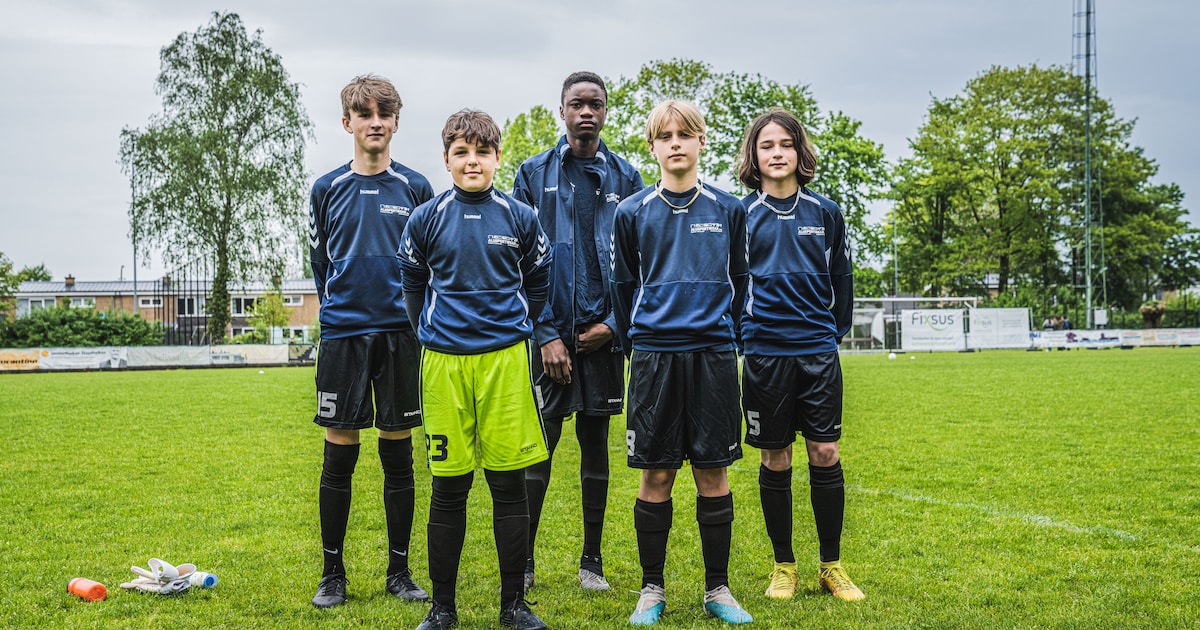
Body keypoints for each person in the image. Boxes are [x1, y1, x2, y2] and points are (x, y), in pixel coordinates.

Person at [400, 109, 552, 630]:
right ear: (446, 160)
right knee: (448, 488)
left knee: (508, 486)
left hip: (505, 364)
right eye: (461, 153)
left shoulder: (519, 216)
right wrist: (425, 330)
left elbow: (539, 278)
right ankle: (443, 608)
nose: (472, 162)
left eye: (481, 152)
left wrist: (521, 326)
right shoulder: (426, 217)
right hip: (444, 366)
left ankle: (514, 605)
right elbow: (412, 279)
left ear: (496, 158)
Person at [609, 99, 752, 626]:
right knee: (657, 475)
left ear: (700, 142)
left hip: (713, 354)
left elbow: (741, 281)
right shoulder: (632, 211)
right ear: (652, 146)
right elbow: (621, 286)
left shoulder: (729, 209)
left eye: (684, 134)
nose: (675, 143)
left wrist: (722, 330)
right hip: (654, 355)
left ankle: (719, 588)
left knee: (714, 473)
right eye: (664, 136)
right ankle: (652, 589)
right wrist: (641, 338)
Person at [511, 70, 645, 592]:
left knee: (596, 448)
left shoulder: (627, 177)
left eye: (595, 104)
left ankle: (592, 562)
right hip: (549, 342)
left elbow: (640, 265)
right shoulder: (532, 173)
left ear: (605, 111)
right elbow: (518, 264)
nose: (586, 112)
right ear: (562, 110)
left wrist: (615, 324)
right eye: (576, 104)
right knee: (536, 454)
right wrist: (545, 334)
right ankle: (524, 562)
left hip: (603, 342)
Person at [307, 74, 432, 609]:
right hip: (344, 336)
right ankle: (332, 574)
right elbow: (319, 265)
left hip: (402, 336)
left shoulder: (417, 188)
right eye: (364, 113)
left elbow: (429, 266)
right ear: (347, 124)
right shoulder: (326, 188)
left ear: (396, 122)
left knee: (397, 452)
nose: (374, 122)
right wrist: (341, 311)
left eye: (384, 113)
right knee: (340, 452)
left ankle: (399, 572)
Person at [736, 108, 865, 602]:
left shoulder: (826, 212)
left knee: (825, 452)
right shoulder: (740, 215)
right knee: (776, 456)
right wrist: (744, 334)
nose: (776, 153)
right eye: (767, 145)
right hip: (765, 352)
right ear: (755, 155)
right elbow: (733, 282)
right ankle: (783, 564)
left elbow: (843, 278)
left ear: (799, 151)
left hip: (816, 350)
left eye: (785, 144)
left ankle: (831, 566)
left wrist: (832, 332)